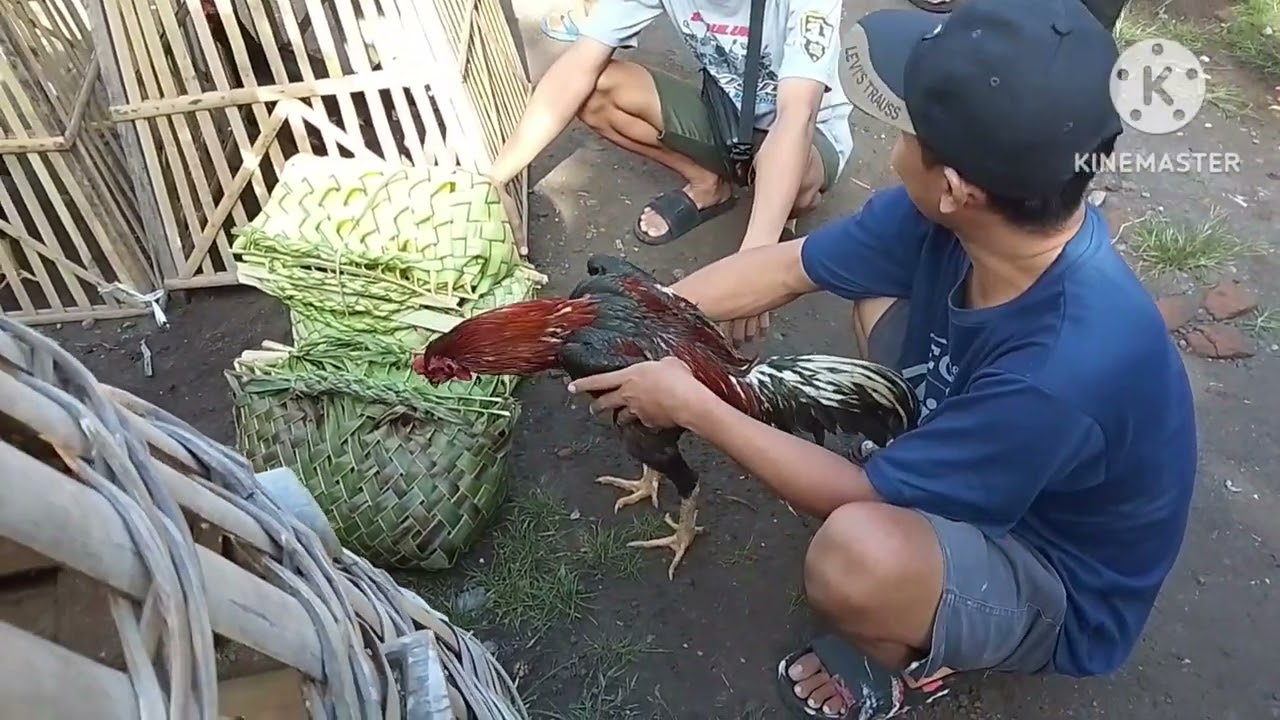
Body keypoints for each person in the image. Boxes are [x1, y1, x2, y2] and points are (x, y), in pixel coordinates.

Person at [565, 0, 1198, 717]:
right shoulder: (957, 219)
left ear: (957, 189)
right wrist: (643, 321)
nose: (892, 141)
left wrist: (693, 405)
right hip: (994, 439)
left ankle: (904, 661)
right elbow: (785, 268)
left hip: (1048, 566)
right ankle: (928, 483)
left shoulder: (1062, 370)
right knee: (868, 292)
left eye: (906, 130)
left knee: (854, 552)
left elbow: (854, 500)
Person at [490, 0, 852, 339]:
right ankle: (709, 182)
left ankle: (777, 216)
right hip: (728, 120)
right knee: (596, 89)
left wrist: (753, 267)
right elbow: (578, 64)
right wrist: (495, 178)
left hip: (810, 132)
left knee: (798, 180)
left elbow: (796, 118)